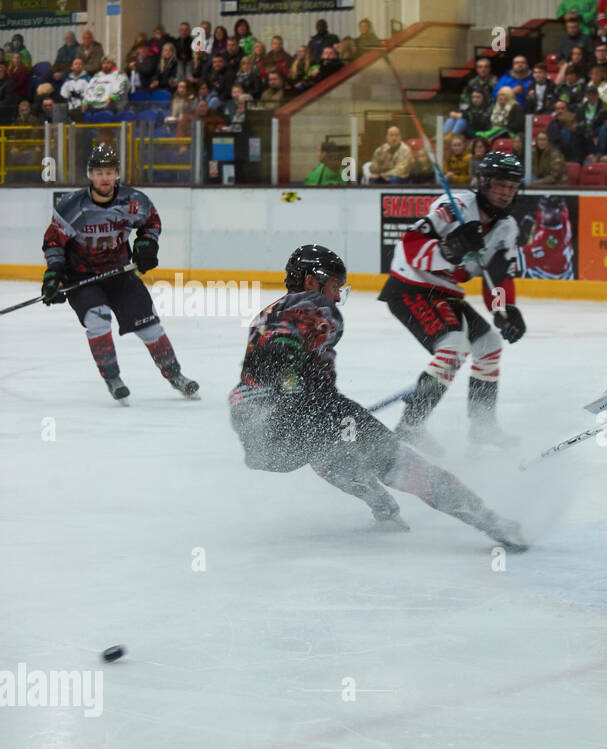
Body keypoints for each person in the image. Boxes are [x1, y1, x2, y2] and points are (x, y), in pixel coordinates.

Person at [229, 245, 525, 546]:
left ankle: (382, 507)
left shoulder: (270, 311)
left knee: (328, 447)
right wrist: (296, 396)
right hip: (292, 415)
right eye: (334, 286)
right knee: (397, 461)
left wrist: (304, 398)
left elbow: (280, 360)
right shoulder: (313, 303)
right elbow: (280, 351)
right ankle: (489, 521)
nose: (335, 296)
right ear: (311, 281)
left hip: (257, 433)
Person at [378, 151, 528, 450]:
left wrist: (504, 310)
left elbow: (497, 278)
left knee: (488, 346)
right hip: (411, 286)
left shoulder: (507, 228)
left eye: (512, 187)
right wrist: (449, 249)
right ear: (483, 182)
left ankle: (482, 426)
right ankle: (410, 426)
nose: (505, 193)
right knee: (453, 348)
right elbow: (410, 246)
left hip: (446, 291)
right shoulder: (455, 206)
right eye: (500, 184)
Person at [40, 144, 199, 403]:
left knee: (149, 326)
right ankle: (112, 377)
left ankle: (175, 375)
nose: (105, 178)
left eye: (110, 172)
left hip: (119, 274)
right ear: (90, 174)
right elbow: (54, 241)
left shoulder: (134, 202)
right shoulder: (72, 206)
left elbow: (150, 224)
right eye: (100, 172)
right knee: (98, 320)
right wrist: (53, 274)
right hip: (82, 278)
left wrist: (147, 244)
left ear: (117, 175)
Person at [518, 195, 574, 279]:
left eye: (547, 211)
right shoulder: (563, 216)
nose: (543, 213)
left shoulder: (547, 241)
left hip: (545, 277)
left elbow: (519, 259)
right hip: (564, 267)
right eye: (543, 209)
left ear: (557, 212)